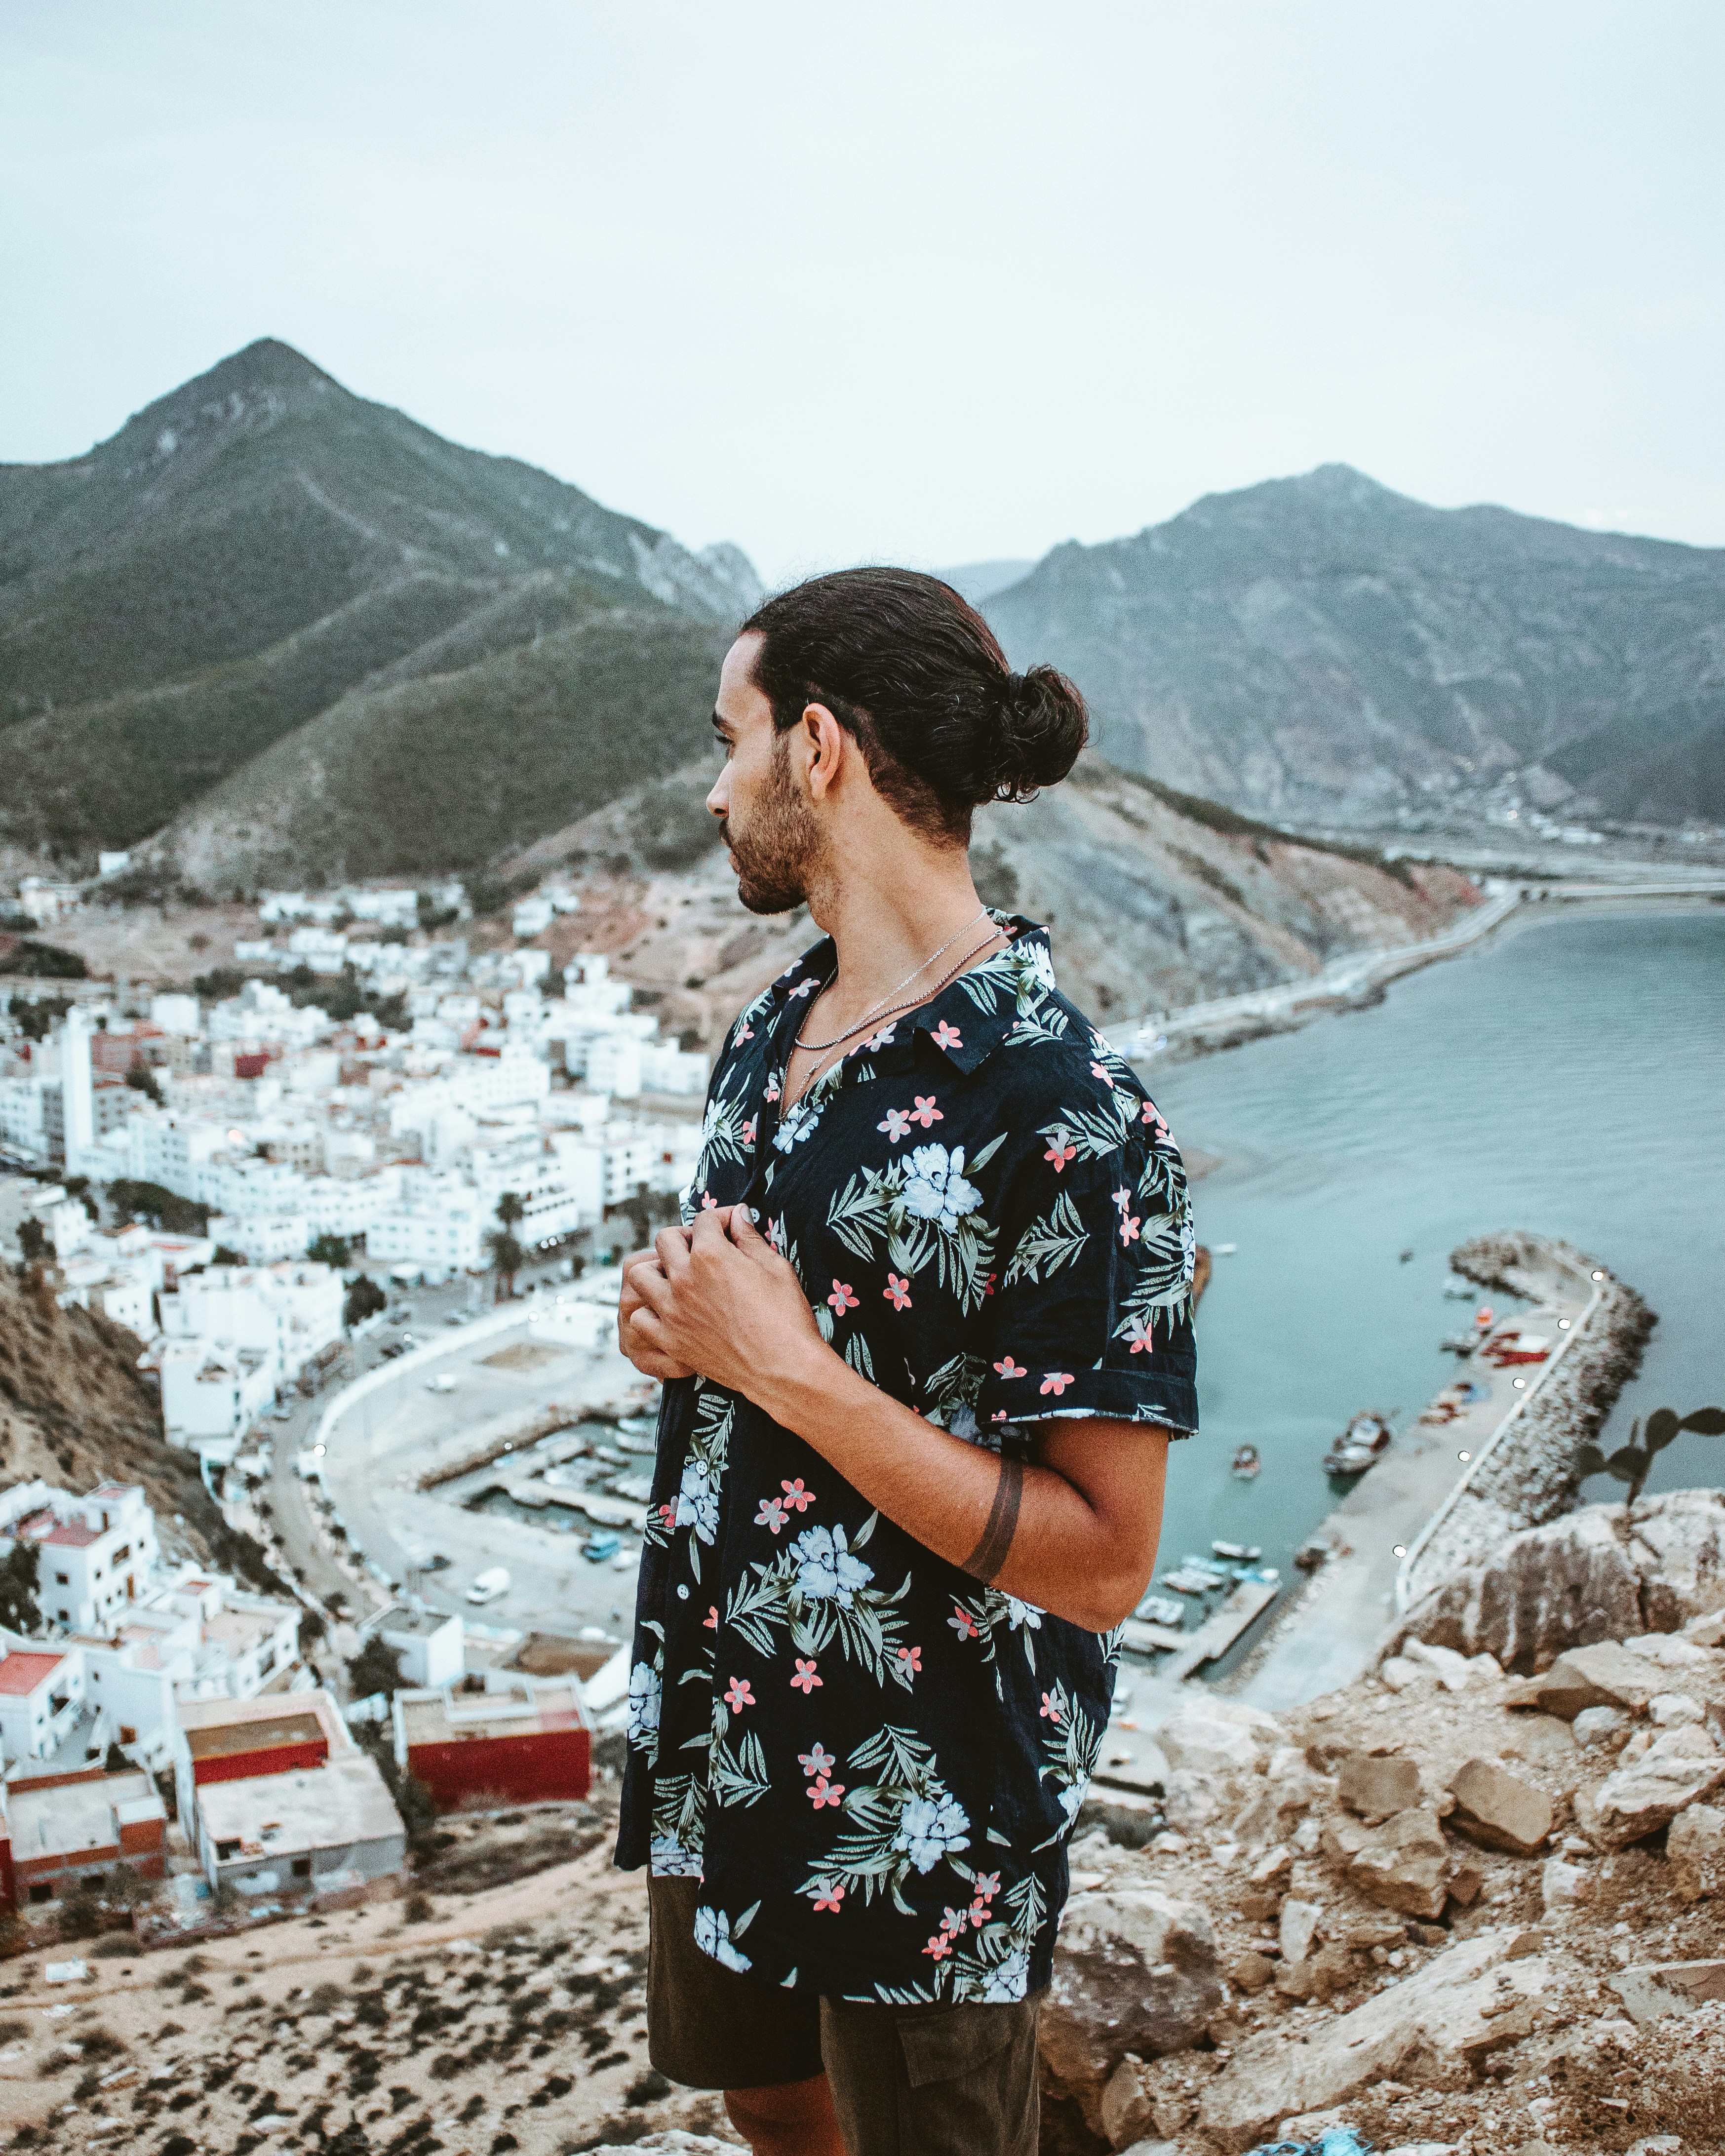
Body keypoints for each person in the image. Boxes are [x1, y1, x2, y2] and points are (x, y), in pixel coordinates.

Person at [615, 568, 1199, 2156]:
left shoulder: (1069, 1116)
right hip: (727, 1723)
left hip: (922, 1792)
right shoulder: (776, 1029)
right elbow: (737, 1336)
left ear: (818, 749)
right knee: (760, 2093)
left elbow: (1103, 1564)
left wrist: (784, 1368)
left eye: (728, 738)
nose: (710, 785)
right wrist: (682, 1329)